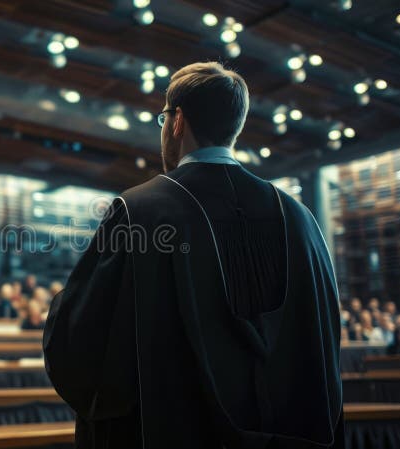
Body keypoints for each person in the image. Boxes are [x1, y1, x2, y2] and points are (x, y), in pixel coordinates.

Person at [43, 62, 343, 448]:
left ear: (178, 121)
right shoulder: (300, 219)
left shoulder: (141, 212)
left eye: (163, 118)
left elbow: (84, 339)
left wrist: (61, 306)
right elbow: (324, 345)